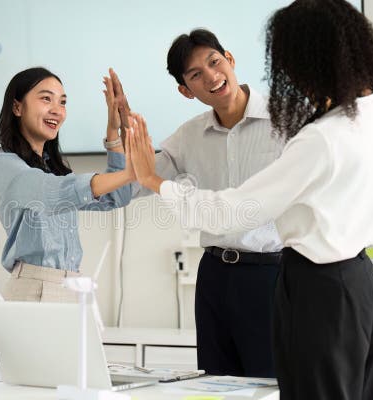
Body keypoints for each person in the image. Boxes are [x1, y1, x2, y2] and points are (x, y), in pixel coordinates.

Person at [126, 0, 373, 398]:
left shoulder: (319, 137)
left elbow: (233, 211)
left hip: (318, 287)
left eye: (289, 60)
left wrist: (156, 182)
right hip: (358, 283)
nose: (286, 73)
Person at [107, 28, 284, 378]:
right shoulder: (189, 136)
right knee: (215, 384)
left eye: (214, 62)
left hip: (273, 274)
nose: (212, 77)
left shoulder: (285, 120)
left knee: (271, 383)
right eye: (196, 75)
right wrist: (120, 135)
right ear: (186, 91)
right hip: (215, 276)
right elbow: (134, 184)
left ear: (230, 59)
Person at [0, 67, 133, 302]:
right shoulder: (1, 164)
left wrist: (113, 131)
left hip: (70, 286)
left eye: (62, 102)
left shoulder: (54, 169)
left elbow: (117, 197)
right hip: (35, 288)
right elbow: (49, 193)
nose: (57, 110)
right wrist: (132, 171)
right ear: (17, 107)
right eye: (45, 99)